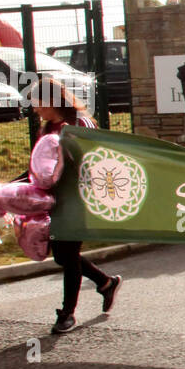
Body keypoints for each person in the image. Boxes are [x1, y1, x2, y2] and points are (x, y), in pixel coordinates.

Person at [29, 77, 120, 335]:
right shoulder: (47, 129)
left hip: (79, 199)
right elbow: (40, 165)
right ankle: (105, 282)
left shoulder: (80, 124)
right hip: (56, 201)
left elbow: (98, 157)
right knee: (60, 254)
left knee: (68, 256)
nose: (35, 109)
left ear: (50, 101)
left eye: (37, 103)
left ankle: (67, 314)